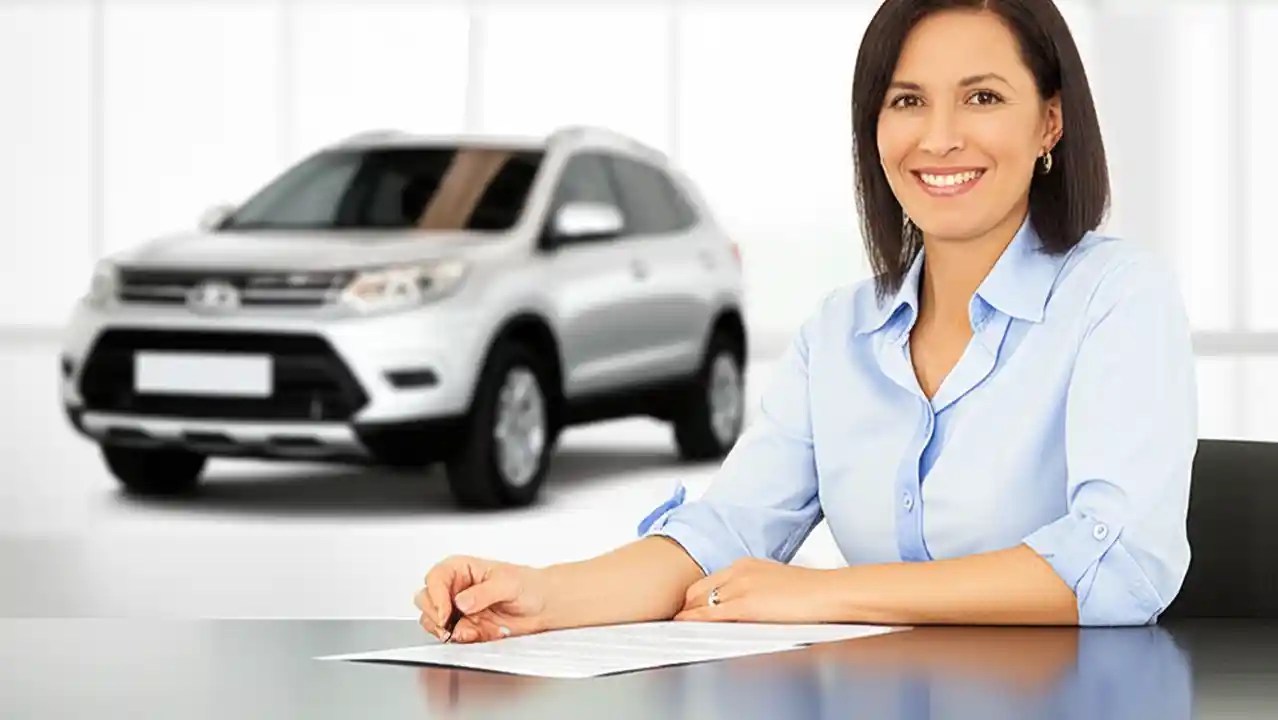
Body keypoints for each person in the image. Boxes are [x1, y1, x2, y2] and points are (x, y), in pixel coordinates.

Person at [413, 0, 1197, 642]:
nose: (939, 136)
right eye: (907, 101)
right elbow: (729, 533)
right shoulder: (840, 334)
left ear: (1050, 123)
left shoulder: (1117, 297)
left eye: (983, 97)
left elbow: (1119, 566)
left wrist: (832, 593)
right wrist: (538, 597)